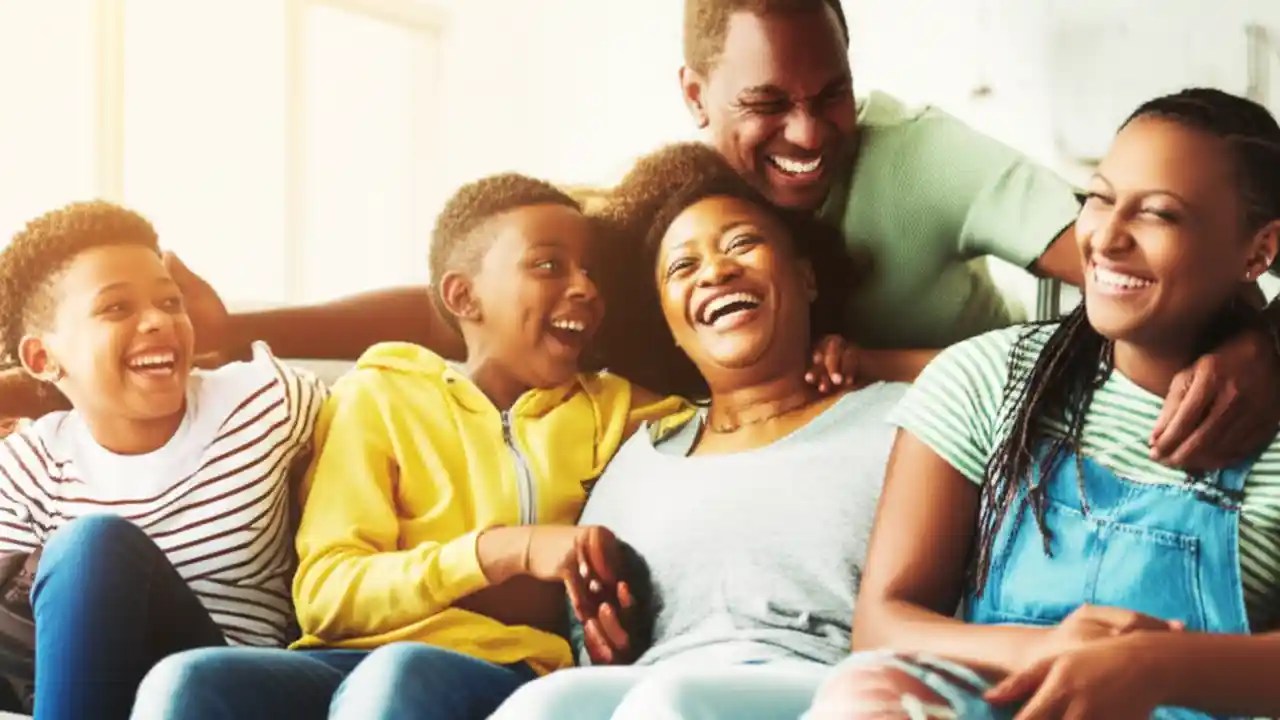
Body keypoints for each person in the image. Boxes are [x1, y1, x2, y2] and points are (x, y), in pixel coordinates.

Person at [804, 88, 1280, 720]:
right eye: (1098, 199)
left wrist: (1154, 666)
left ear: (1258, 251)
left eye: (1159, 214)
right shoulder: (983, 381)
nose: (1107, 238)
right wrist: (1054, 651)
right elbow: (883, 626)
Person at [489, 143, 908, 720]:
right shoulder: (638, 458)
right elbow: (596, 650)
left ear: (807, 278)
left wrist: (878, 363)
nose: (716, 270)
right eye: (683, 267)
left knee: (671, 702)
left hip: (826, 685)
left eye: (742, 243)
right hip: (653, 686)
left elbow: (1028, 363)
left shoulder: (900, 421)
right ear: (668, 320)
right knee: (541, 704)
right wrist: (607, 638)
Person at [0, 201, 324, 720]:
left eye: (170, 302)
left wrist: (231, 329)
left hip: (226, 690)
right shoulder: (26, 467)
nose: (158, 321)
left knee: (93, 544)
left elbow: (432, 326)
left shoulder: (264, 403)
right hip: (86, 692)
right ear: (42, 358)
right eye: (116, 309)